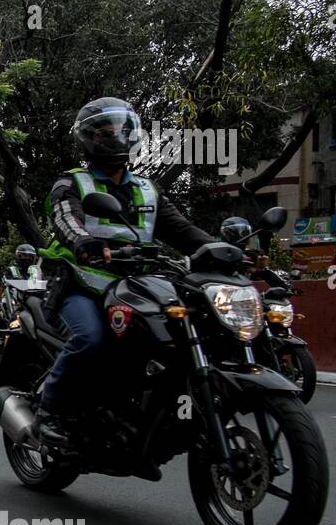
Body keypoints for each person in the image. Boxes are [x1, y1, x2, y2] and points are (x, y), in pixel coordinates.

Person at [35, 97, 214, 443]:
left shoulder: (147, 189)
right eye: (104, 133)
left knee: (178, 331)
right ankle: (49, 411)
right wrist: (83, 242)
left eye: (122, 132)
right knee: (90, 338)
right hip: (80, 284)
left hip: (138, 285)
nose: (115, 139)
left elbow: (184, 231)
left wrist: (219, 249)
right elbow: (64, 219)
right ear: (88, 139)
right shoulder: (72, 183)